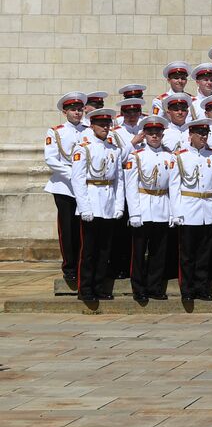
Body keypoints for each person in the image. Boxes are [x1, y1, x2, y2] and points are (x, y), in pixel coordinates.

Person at [71, 108, 126, 304]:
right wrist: (84, 207)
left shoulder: (114, 149)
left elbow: (118, 180)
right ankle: (85, 289)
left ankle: (99, 287)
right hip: (92, 202)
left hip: (109, 203)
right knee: (89, 251)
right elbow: (77, 180)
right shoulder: (83, 148)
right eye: (101, 125)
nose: (105, 128)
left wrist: (119, 204)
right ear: (92, 126)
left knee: (104, 250)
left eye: (107, 125)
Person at [124, 113, 177, 305]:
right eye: (150, 132)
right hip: (143, 206)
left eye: (158, 133)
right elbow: (130, 186)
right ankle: (138, 288)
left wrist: (173, 211)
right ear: (144, 134)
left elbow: (173, 186)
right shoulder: (136, 156)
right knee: (138, 252)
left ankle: (155, 287)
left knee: (159, 252)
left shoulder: (170, 156)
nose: (154, 136)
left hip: (162, 205)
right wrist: (134, 212)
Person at [171, 118, 212, 302]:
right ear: (190, 135)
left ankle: (202, 287)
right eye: (199, 134)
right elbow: (175, 185)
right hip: (188, 208)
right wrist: (177, 212)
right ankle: (187, 288)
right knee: (187, 254)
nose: (203, 137)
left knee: (204, 253)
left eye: (205, 134)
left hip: (207, 208)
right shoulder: (180, 156)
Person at [45, 91, 89, 283]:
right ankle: (69, 267)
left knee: (85, 228)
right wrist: (73, 175)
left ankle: (83, 264)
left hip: (87, 186)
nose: (77, 113)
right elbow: (51, 159)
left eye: (80, 109)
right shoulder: (56, 131)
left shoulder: (89, 130)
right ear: (65, 112)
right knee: (68, 229)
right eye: (73, 110)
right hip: (65, 186)